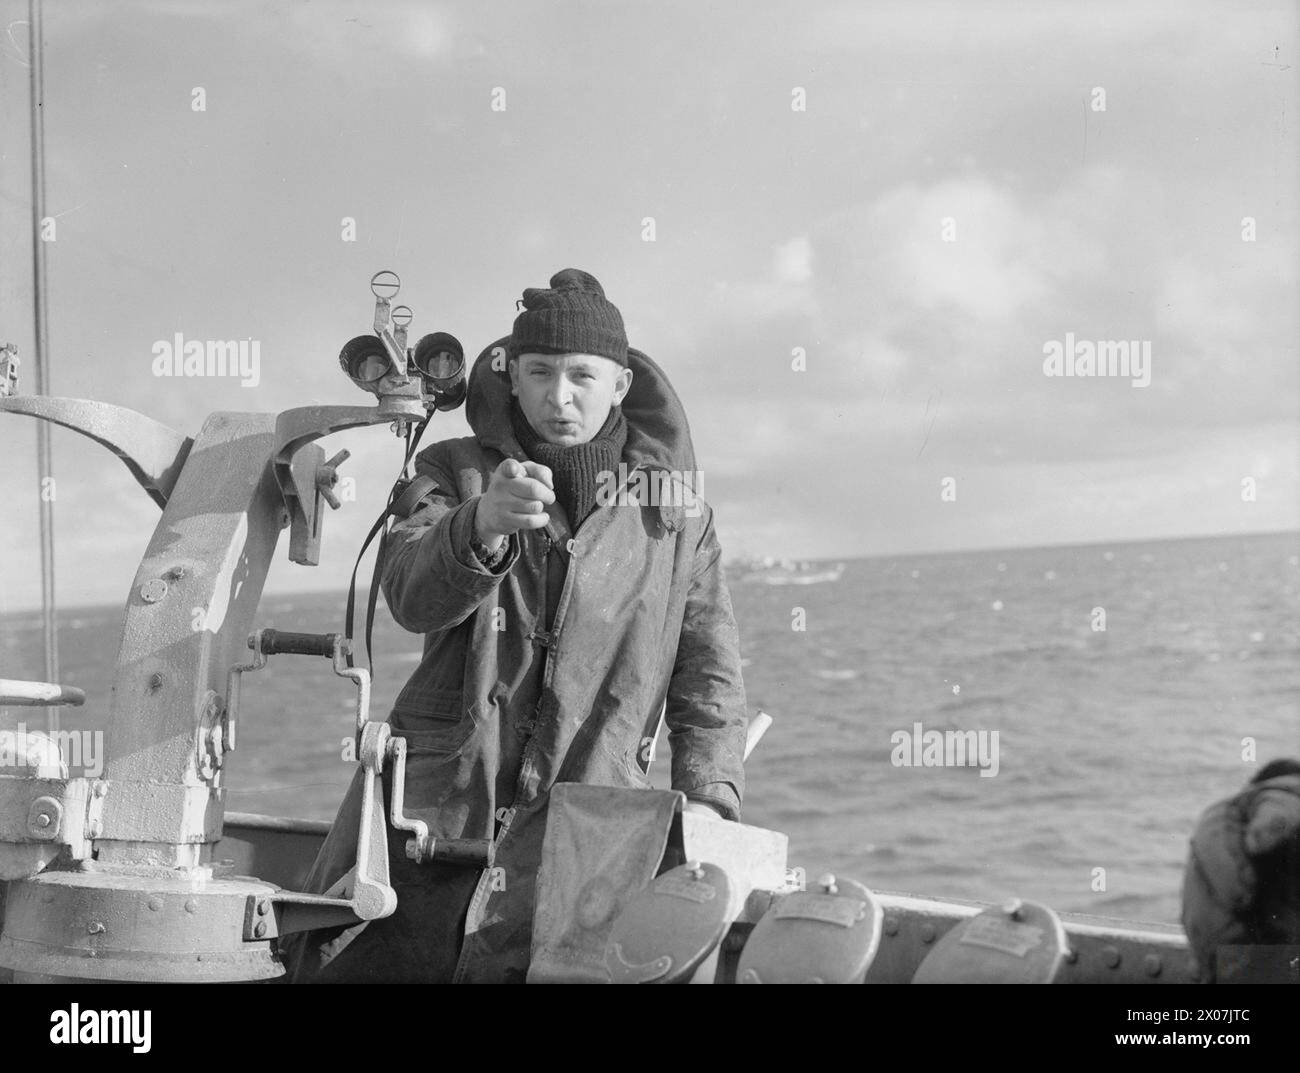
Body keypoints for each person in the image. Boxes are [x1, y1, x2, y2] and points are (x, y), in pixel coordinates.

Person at [290, 267, 748, 983]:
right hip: (429, 827)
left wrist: (712, 803)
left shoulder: (678, 514)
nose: (558, 397)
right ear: (512, 374)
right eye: (538, 372)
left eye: (581, 376)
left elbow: (708, 676)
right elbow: (409, 596)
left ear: (621, 384)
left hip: (589, 839)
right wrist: (480, 525)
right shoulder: (452, 468)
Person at [1180, 758, 1300, 982]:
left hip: (1212, 961)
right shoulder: (1285, 794)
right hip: (1262, 958)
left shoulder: (1221, 815)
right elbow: (1268, 831)